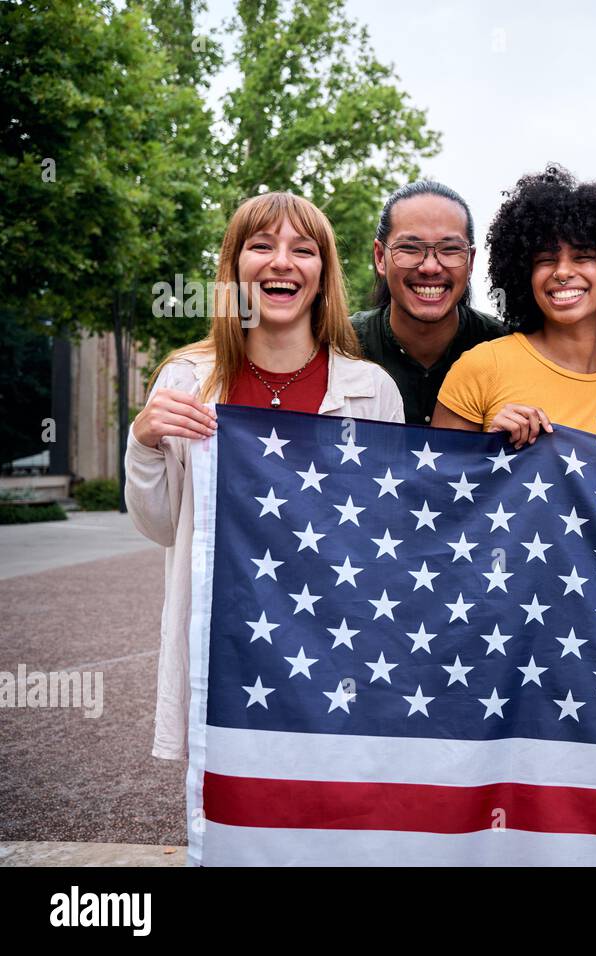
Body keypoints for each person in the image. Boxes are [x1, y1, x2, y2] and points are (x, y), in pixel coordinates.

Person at [125, 191, 403, 761]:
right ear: (234, 268)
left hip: (335, 645)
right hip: (225, 644)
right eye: (261, 246)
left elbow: (387, 537)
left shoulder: (371, 389)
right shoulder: (185, 379)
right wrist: (143, 443)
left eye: (303, 249)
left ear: (323, 275)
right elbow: (160, 526)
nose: (281, 262)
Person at [433, 167, 596, 448]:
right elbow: (438, 484)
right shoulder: (481, 367)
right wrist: (490, 448)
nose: (563, 271)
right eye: (546, 259)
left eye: (583, 257)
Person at [351, 180, 505, 425]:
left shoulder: (506, 350)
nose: (430, 267)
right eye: (410, 248)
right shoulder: (340, 345)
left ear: (471, 261)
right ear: (380, 257)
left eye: (450, 249)